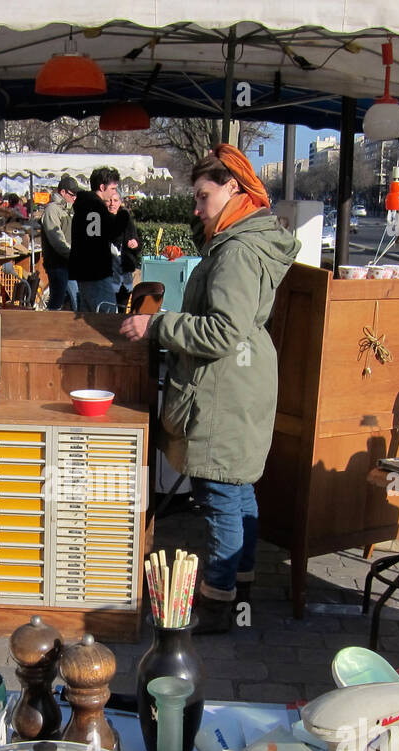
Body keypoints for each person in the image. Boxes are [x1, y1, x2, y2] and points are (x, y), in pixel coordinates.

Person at [119, 146, 298, 634]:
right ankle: (240, 588)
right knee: (238, 491)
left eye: (203, 196)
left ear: (234, 189)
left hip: (224, 391)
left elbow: (221, 331)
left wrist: (158, 325)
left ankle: (218, 603)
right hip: (240, 383)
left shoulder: (237, 250)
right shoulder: (241, 239)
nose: (196, 208)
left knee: (220, 494)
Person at [68, 167, 130, 312]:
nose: (114, 192)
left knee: (88, 320)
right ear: (102, 187)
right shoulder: (94, 207)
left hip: (85, 272)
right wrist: (123, 216)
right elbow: (98, 236)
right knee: (106, 319)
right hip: (95, 272)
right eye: (113, 188)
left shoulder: (86, 205)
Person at [40, 174, 79, 310]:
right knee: (59, 300)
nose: (74, 198)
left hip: (68, 262)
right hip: (57, 263)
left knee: (67, 299)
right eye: (72, 194)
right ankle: (50, 326)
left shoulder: (68, 210)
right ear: (62, 192)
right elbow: (56, 239)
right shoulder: (52, 210)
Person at [107, 189, 140, 312]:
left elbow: (136, 241)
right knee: (107, 309)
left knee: (122, 307)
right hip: (107, 273)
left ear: (120, 202)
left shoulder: (127, 219)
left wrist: (135, 244)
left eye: (115, 200)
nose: (112, 204)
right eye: (109, 200)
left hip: (124, 272)